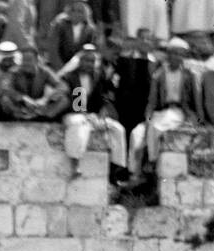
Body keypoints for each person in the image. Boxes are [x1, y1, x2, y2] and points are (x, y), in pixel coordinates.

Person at [126, 37, 200, 182]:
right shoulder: (159, 75)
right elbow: (152, 102)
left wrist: (198, 120)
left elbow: (196, 102)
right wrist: (147, 120)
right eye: (174, 53)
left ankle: (152, 162)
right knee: (136, 134)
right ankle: (134, 174)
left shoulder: (188, 75)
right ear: (169, 55)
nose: (177, 57)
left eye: (180, 54)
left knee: (157, 127)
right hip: (159, 113)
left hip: (177, 113)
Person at [60, 44, 127, 182]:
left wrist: (101, 116)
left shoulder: (97, 77)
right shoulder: (70, 78)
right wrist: (87, 116)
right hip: (74, 114)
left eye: (91, 61)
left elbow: (102, 100)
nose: (88, 64)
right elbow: (74, 104)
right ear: (79, 61)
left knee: (118, 129)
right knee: (78, 125)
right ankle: (75, 164)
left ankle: (116, 168)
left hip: (91, 116)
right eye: (85, 60)